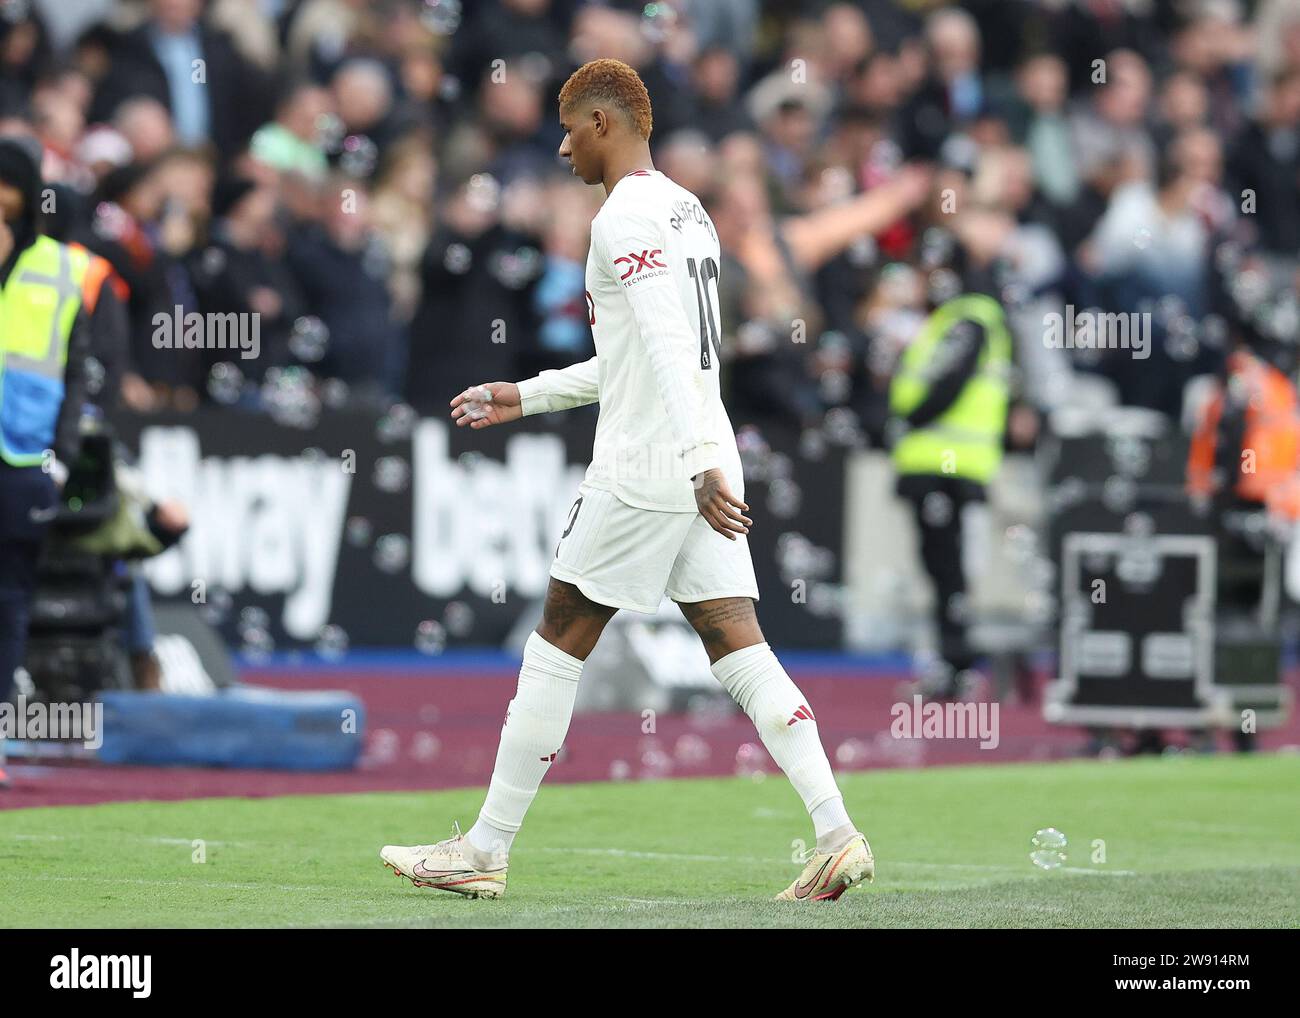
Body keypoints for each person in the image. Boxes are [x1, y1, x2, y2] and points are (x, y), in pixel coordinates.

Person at [380, 59, 874, 903]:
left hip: (655, 462)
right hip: (699, 451)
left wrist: (690, 465)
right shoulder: (690, 209)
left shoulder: (622, 218)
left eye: (570, 129)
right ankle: (835, 833)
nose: (564, 146)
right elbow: (640, 355)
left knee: (557, 639)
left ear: (603, 124)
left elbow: (670, 353)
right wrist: (527, 395)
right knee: (738, 642)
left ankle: (486, 848)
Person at [0, 135, 93, 787]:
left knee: (9, 604)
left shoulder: (62, 269)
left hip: (24, 457)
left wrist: (60, 458)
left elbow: (78, 371)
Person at [887, 231, 1013, 700]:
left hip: (948, 467)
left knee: (948, 571)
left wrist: (905, 418)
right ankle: (955, 661)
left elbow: (949, 382)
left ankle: (957, 664)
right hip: (945, 467)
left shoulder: (969, 317)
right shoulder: (952, 318)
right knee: (944, 570)